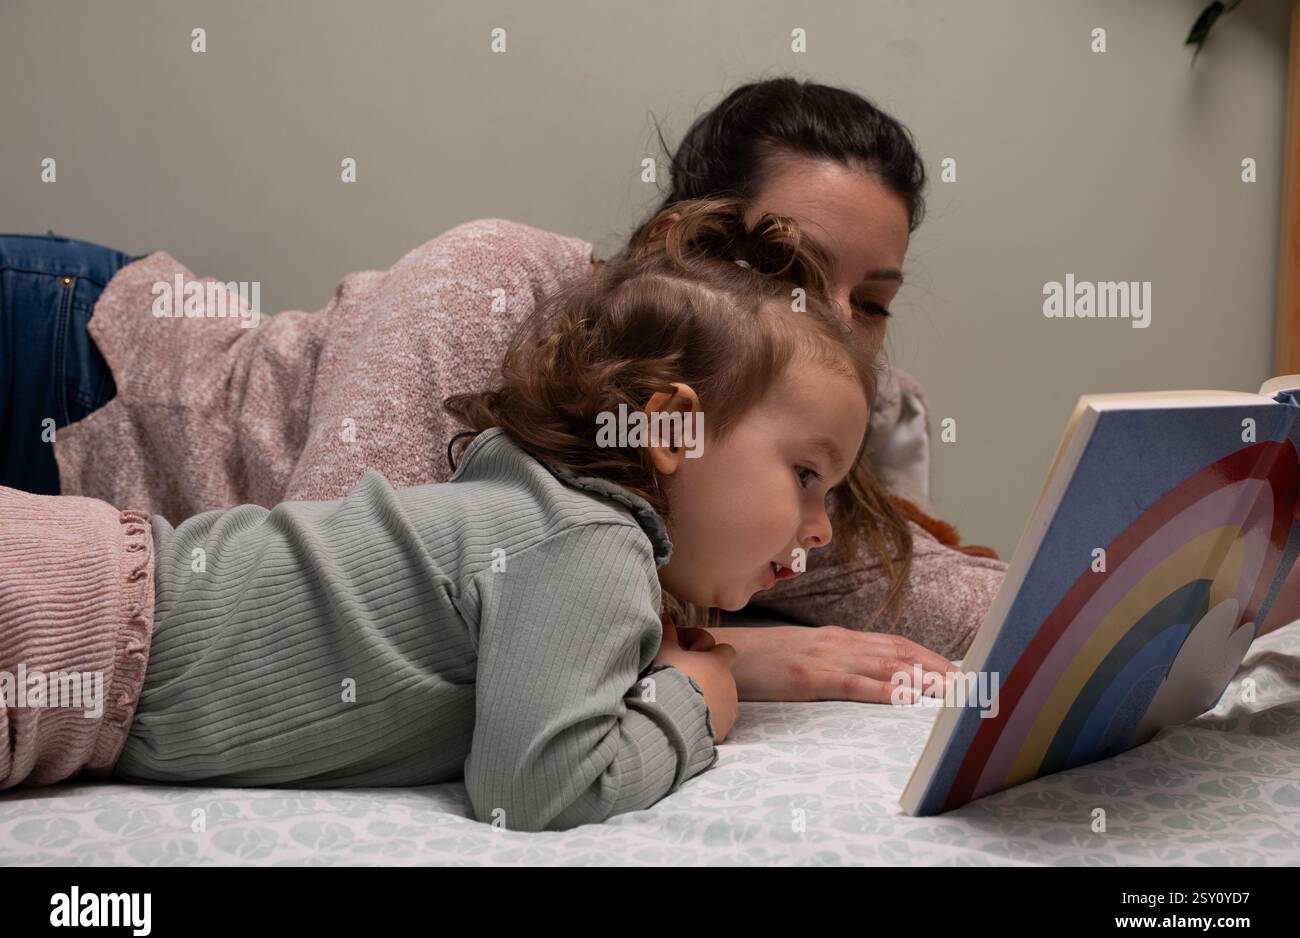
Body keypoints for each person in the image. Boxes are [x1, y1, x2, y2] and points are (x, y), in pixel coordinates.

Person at [3, 78, 1008, 702]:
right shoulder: (496, 280)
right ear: (683, 241)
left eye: (871, 302)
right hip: (74, 365)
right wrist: (722, 658)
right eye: (794, 269)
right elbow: (354, 623)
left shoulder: (767, 448)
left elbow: (941, 596)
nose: (835, 324)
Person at [0, 199, 956, 832]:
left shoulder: (521, 496)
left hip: (79, 590)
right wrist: (689, 707)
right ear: (671, 428)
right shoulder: (589, 544)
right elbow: (540, 787)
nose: (821, 526)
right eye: (806, 476)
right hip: (66, 629)